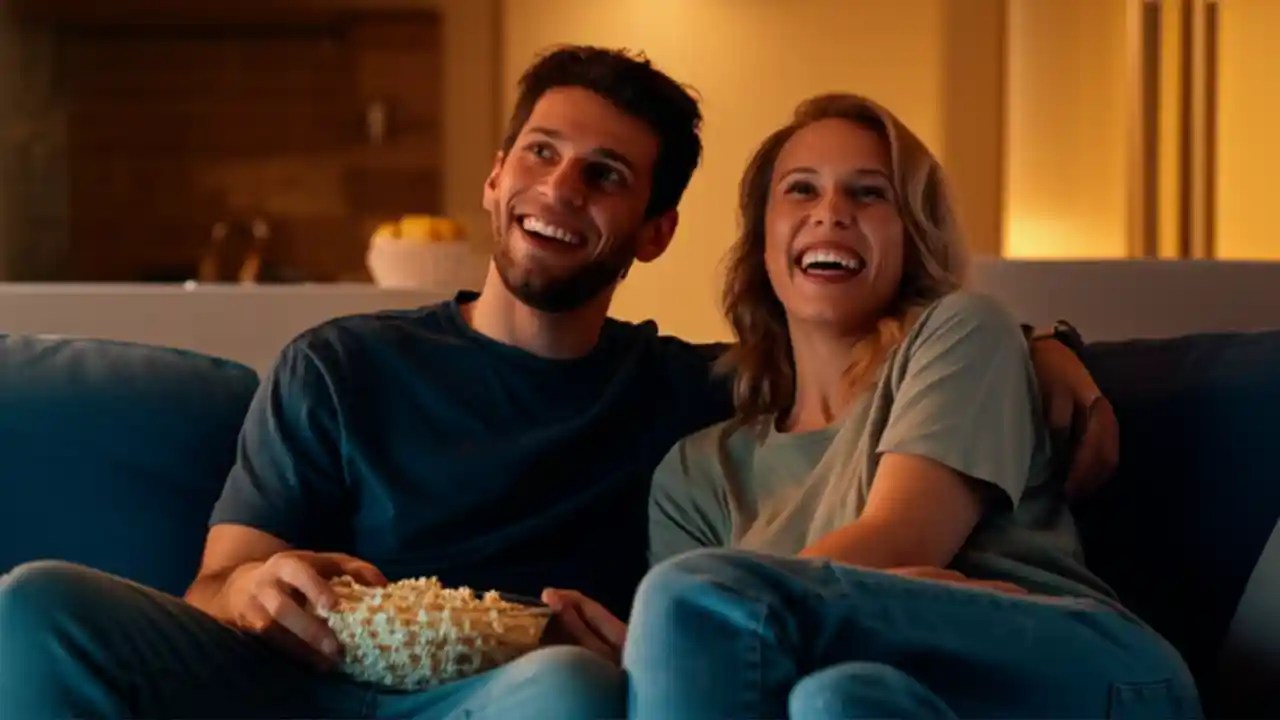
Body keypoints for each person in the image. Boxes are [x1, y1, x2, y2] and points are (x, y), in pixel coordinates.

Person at [0, 48, 1115, 719]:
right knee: (38, 602)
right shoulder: (340, 365)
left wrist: (1041, 343)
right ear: (493, 179)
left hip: (490, 700)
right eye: (538, 152)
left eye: (605, 174)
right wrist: (255, 592)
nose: (559, 187)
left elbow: (851, 351)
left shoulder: (689, 401)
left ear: (654, 229)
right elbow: (216, 584)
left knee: (572, 694)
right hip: (283, 685)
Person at [602, 94, 1198, 719]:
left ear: (912, 235)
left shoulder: (964, 332)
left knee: (690, 595)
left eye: (869, 193)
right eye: (801, 191)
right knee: (836, 700)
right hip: (892, 688)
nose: (831, 212)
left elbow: (902, 539)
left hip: (1076, 665)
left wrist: (748, 605)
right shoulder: (697, 473)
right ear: (761, 240)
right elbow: (701, 666)